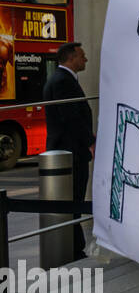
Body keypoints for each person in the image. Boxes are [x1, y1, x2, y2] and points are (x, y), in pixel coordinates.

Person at [43, 41, 95, 260]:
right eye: (82, 56)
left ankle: (74, 246)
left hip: (68, 150)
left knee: (72, 200)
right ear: (71, 58)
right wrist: (90, 141)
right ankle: (73, 250)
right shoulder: (63, 81)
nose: (85, 60)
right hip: (70, 151)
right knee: (73, 199)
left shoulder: (61, 79)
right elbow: (71, 117)